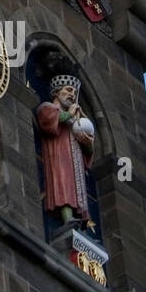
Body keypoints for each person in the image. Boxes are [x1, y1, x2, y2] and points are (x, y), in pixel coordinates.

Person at [36, 73, 95, 225]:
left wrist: (88, 145)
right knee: (63, 183)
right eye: (68, 90)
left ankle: (79, 220)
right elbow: (48, 121)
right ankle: (67, 218)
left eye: (74, 92)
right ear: (56, 92)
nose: (72, 94)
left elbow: (87, 155)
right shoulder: (47, 107)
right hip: (58, 156)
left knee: (75, 186)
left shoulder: (75, 120)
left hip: (74, 161)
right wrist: (69, 114)